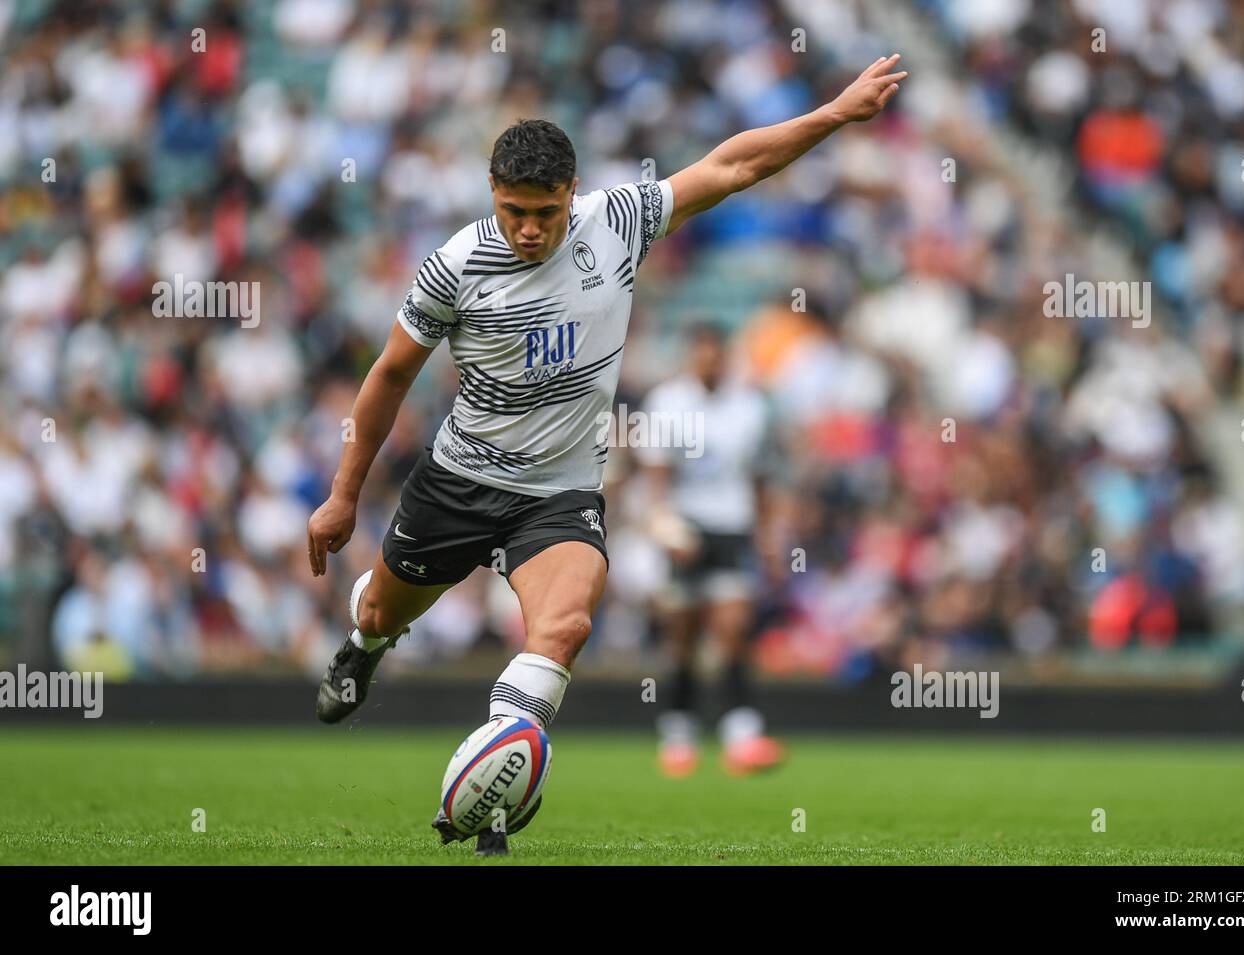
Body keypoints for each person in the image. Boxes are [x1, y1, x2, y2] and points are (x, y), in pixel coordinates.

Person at [305, 55, 909, 854]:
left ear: (572, 194)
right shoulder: (455, 266)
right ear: (492, 193)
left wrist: (832, 113)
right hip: (458, 479)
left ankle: (491, 801)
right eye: (514, 210)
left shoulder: (616, 223)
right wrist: (344, 495)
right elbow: (388, 375)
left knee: (564, 625)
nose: (529, 228)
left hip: (559, 492)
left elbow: (730, 165)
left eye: (545, 212)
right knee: (383, 609)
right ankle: (365, 648)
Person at [640, 322, 785, 777]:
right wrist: (664, 525)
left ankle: (742, 733)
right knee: (682, 636)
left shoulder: (749, 406)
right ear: (690, 356)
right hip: (686, 528)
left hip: (732, 526)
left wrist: (766, 536)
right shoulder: (667, 402)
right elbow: (656, 473)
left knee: (733, 627)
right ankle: (679, 733)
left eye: (715, 353)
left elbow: (760, 476)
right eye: (700, 352)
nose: (709, 360)